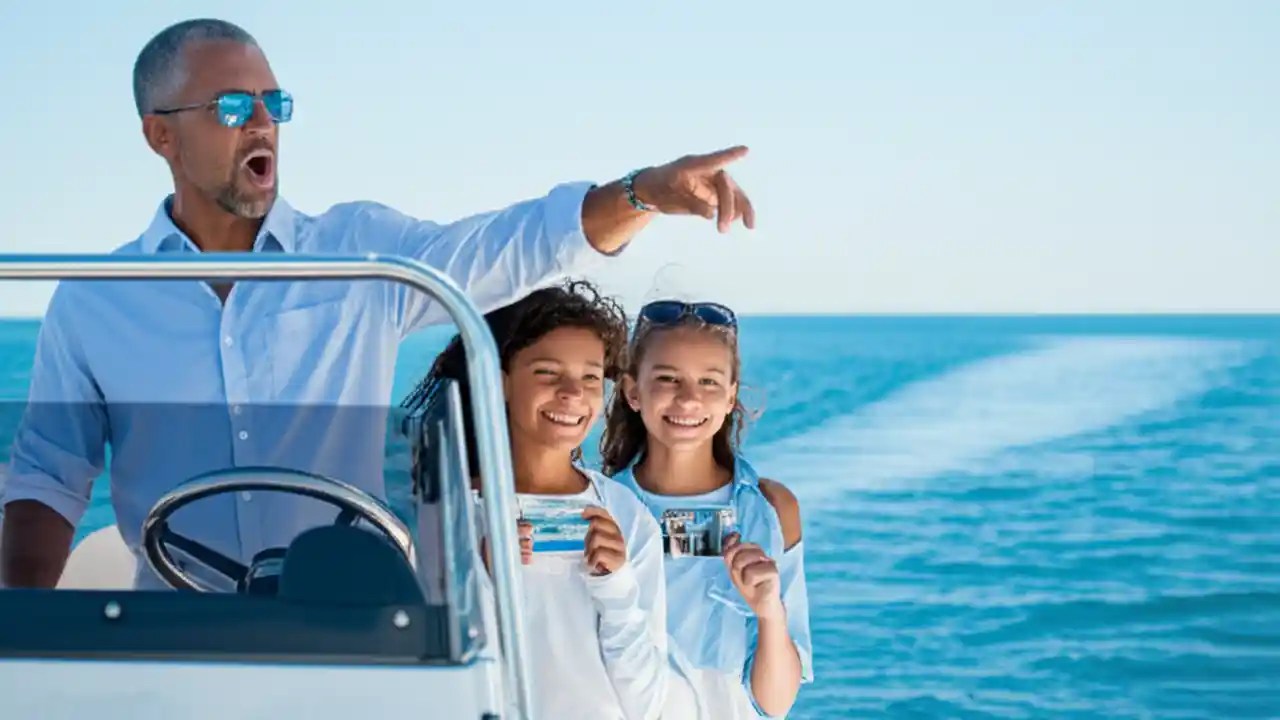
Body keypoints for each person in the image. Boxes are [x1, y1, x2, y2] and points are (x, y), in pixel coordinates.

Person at [0, 18, 756, 590]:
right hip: (171, 626)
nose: (263, 123)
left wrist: (639, 194)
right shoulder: (98, 298)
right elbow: (47, 477)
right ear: (160, 135)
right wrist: (23, 639)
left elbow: (505, 248)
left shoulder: (356, 251)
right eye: (234, 106)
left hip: (342, 621)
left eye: (275, 103)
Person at [401, 279, 671, 720]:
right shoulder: (436, 509)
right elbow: (424, 681)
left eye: (589, 376)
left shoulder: (626, 515)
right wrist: (485, 576)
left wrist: (617, 589)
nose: (572, 393)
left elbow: (647, 706)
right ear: (501, 382)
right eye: (547, 372)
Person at [599, 300, 813, 719]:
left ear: (731, 396)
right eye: (667, 378)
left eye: (709, 382)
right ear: (632, 392)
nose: (688, 399)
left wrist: (770, 611)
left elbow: (776, 705)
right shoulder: (600, 509)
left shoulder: (770, 509)